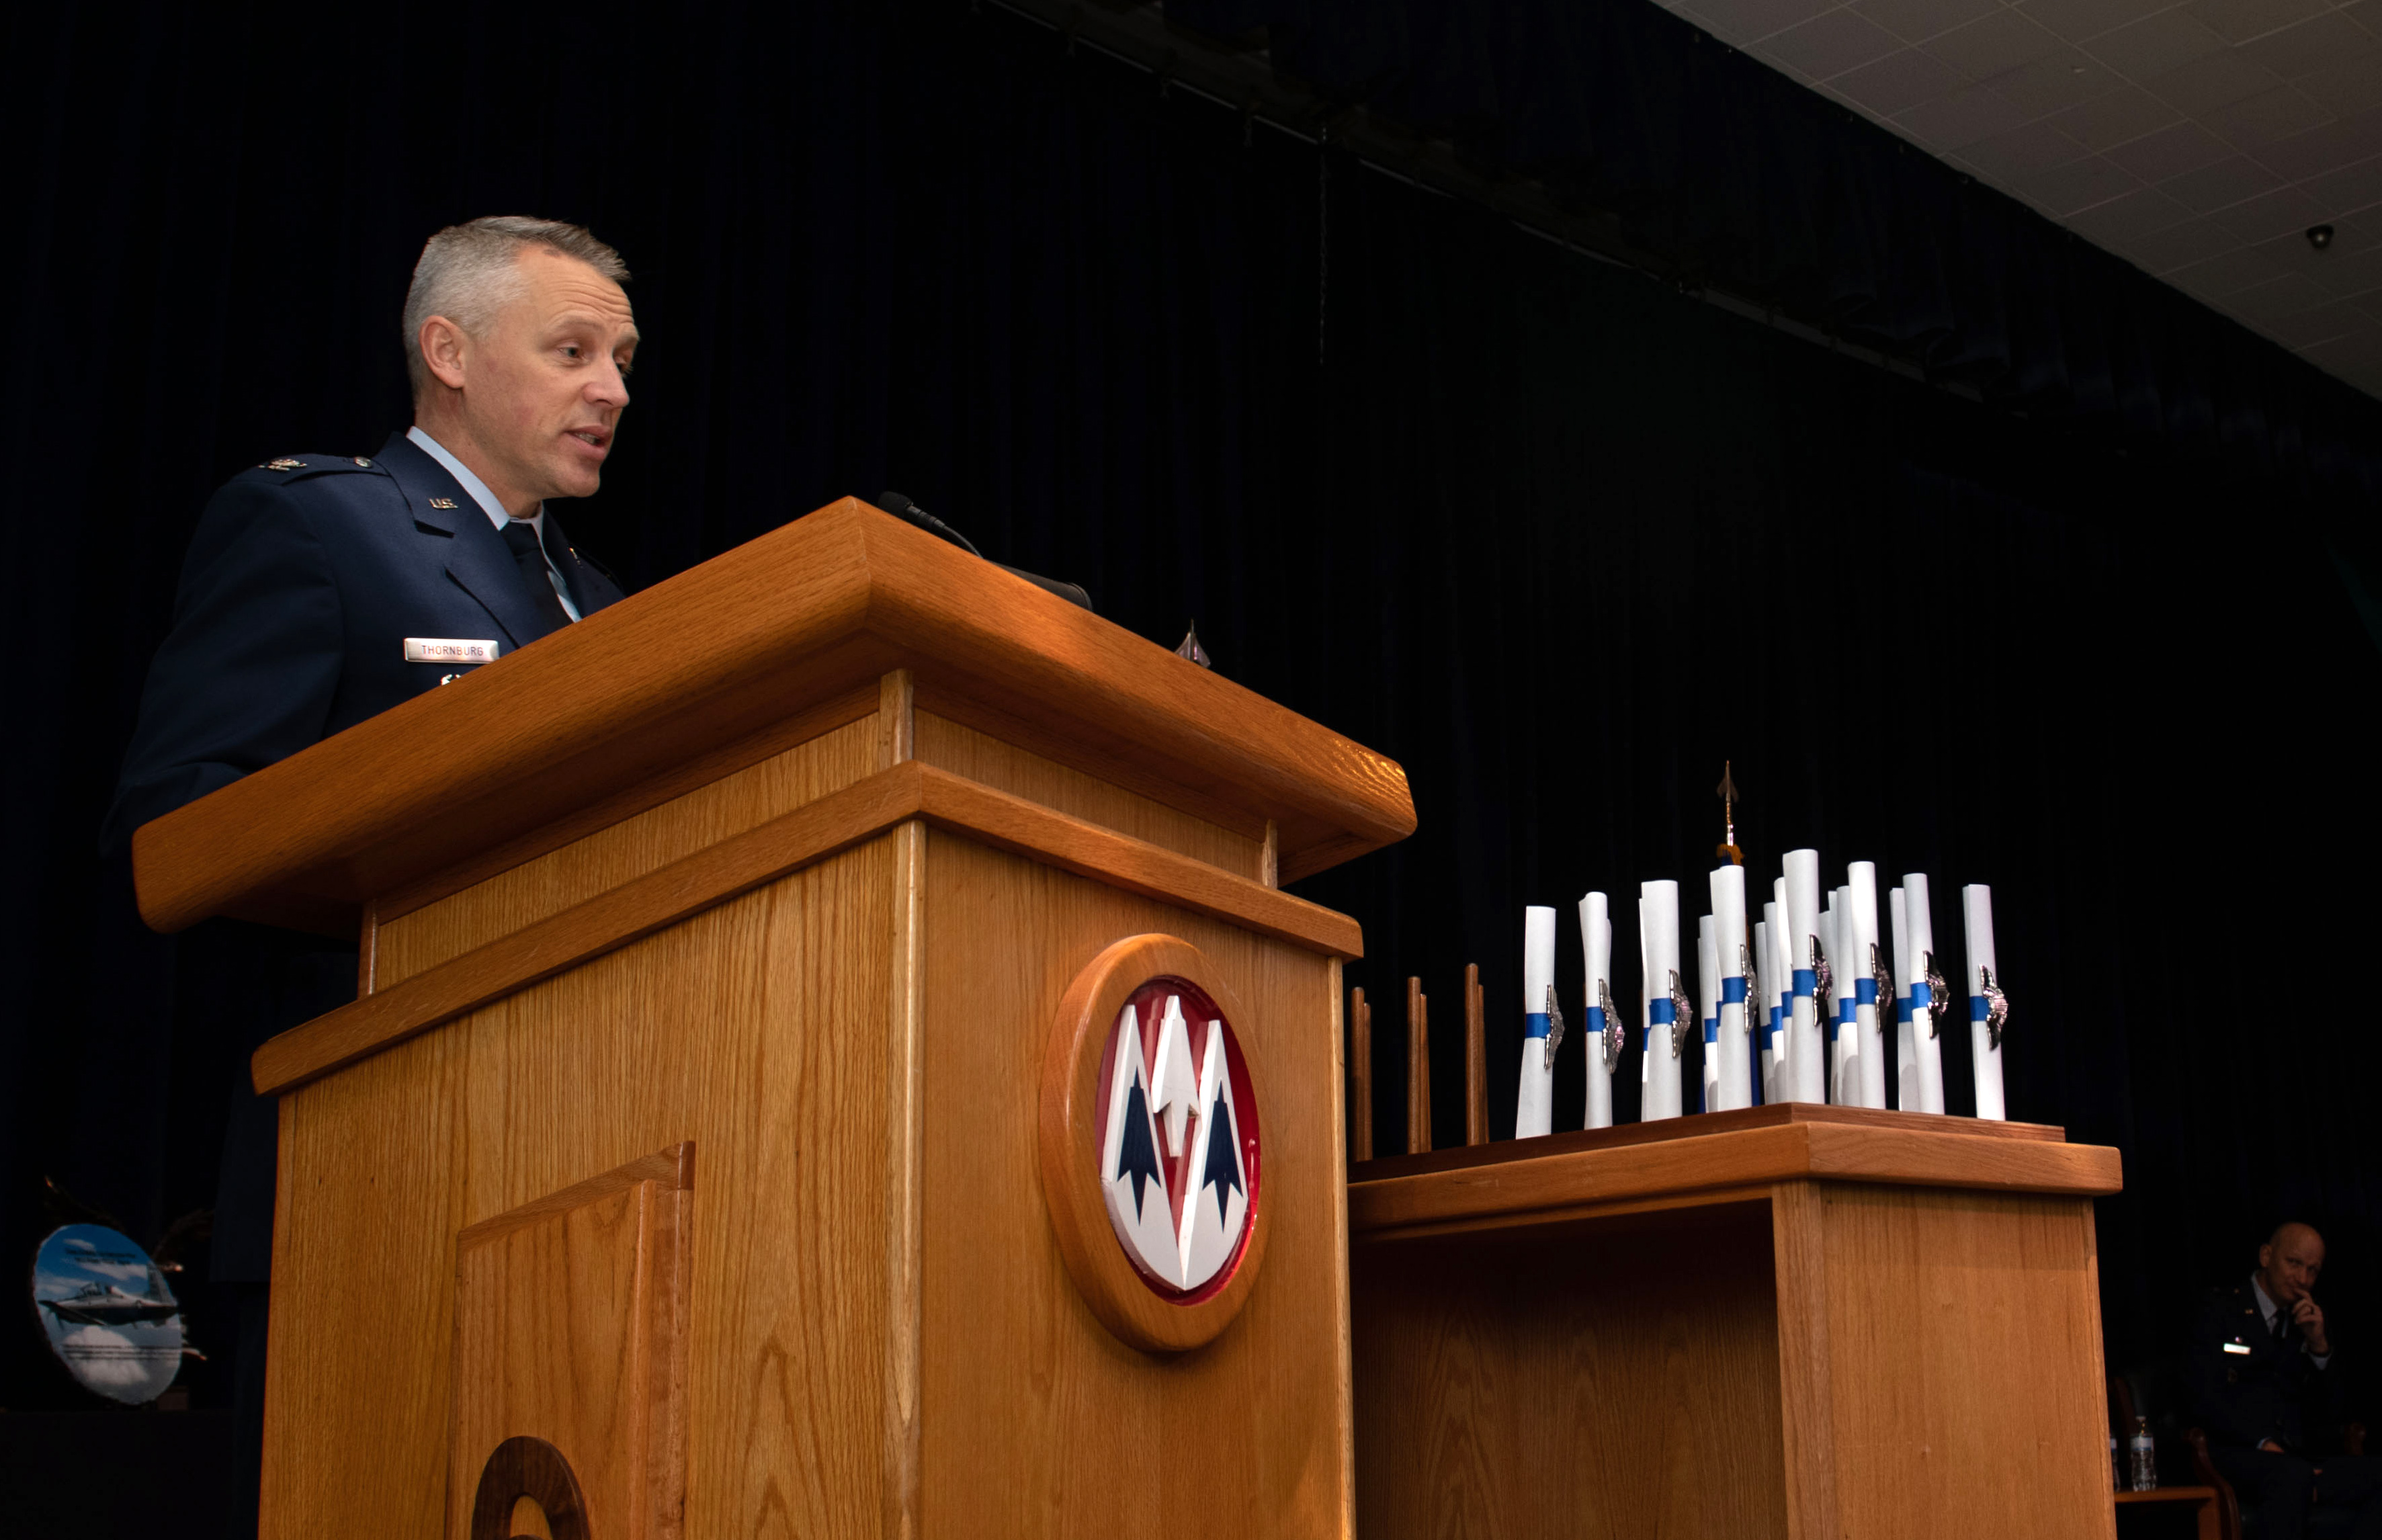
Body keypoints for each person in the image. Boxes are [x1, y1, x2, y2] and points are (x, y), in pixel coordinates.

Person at [101, 216, 639, 1532]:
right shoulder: (321, 526)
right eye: (573, 350)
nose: (614, 390)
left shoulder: (618, 616)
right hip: (370, 1179)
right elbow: (175, 828)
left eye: (623, 358)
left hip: (590, 1185)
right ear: (446, 353)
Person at [2190, 1222, 2381, 1539]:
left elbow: (2333, 1410)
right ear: (2267, 1256)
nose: (2303, 1279)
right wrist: (2262, 1443)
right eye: (2294, 1263)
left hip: (2297, 1457)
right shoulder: (2221, 1309)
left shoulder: (2308, 1320)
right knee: (2292, 1477)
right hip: (2238, 1450)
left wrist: (2320, 1347)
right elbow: (2201, 1396)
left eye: (2313, 1270)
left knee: (2375, 1473)